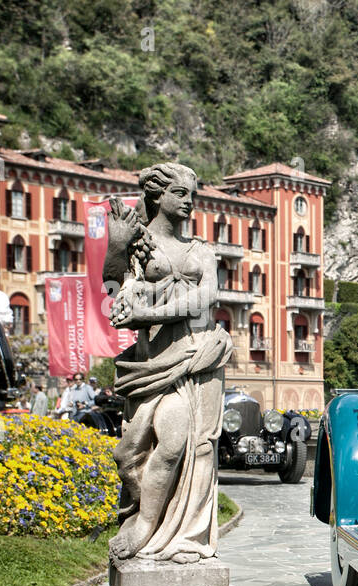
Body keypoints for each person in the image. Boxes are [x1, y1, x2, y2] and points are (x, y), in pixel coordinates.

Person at [105, 161, 231, 565]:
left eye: (192, 195)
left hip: (198, 357)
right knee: (141, 454)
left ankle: (173, 534)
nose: (189, 202)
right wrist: (116, 246)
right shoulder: (141, 245)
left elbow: (206, 299)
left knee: (191, 447)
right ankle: (146, 521)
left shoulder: (201, 251)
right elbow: (112, 291)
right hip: (154, 363)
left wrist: (146, 315)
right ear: (157, 196)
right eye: (180, 193)